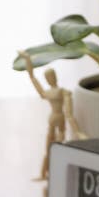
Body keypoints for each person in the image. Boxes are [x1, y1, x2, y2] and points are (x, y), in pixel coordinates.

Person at [19, 51, 87, 180]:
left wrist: (28, 60)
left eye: (49, 78)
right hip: (59, 118)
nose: (49, 80)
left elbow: (33, 78)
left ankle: (46, 175)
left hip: (52, 118)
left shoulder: (50, 93)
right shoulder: (62, 92)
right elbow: (69, 114)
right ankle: (48, 175)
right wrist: (77, 132)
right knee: (57, 148)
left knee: (51, 148)